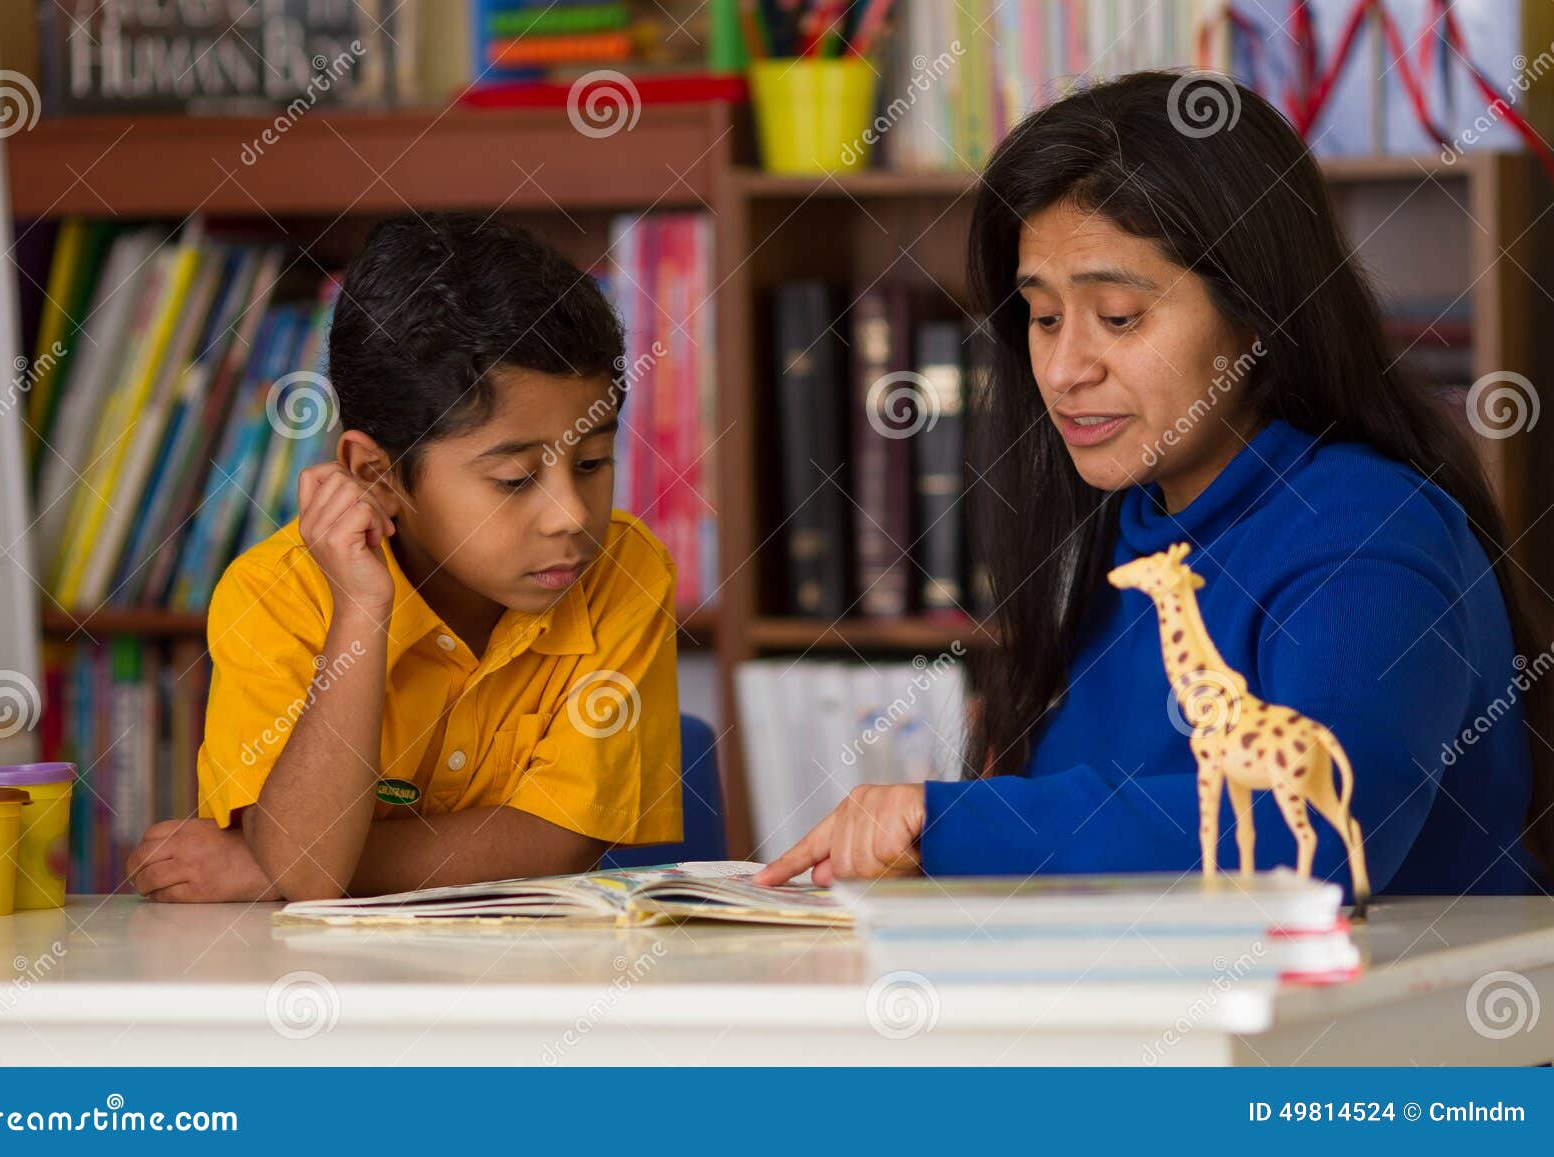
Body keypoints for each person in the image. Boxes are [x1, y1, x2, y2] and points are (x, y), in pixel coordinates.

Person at [756, 71, 1554, 902]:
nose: (1064, 370)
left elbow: (1317, 836)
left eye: (1119, 316)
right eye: (1044, 318)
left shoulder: (1369, 533)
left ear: (1256, 314)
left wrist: (956, 823)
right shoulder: (1120, 531)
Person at [128, 213, 682, 902]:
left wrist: (260, 864)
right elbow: (309, 869)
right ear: (377, 475)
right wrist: (361, 610)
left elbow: (561, 839)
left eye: (592, 461)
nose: (571, 514)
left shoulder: (625, 573)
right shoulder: (274, 594)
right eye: (515, 479)